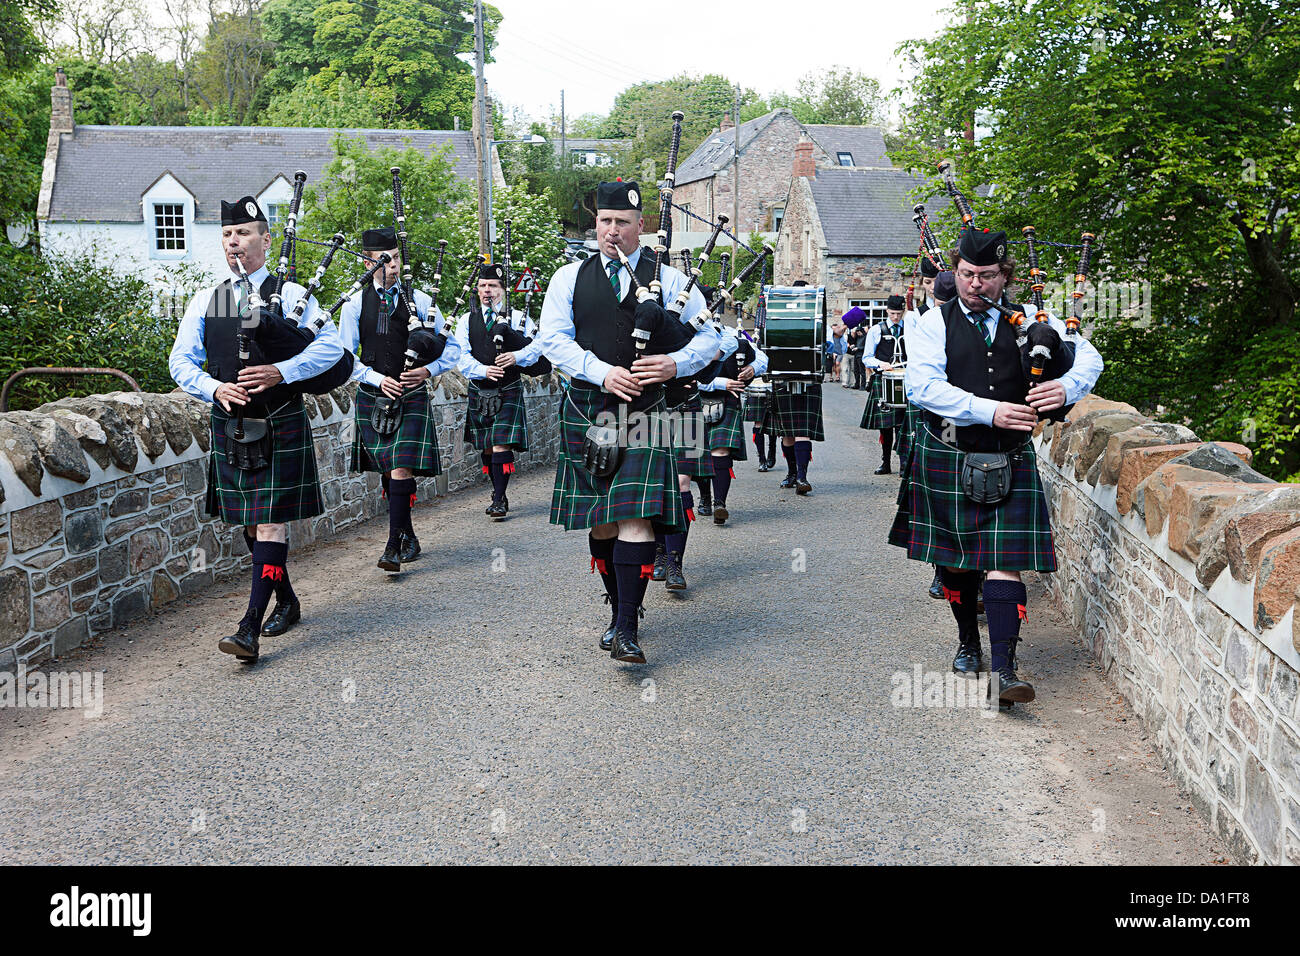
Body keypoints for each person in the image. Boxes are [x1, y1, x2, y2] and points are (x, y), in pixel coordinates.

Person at [888, 228, 1103, 706]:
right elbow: (922, 388)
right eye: (967, 275)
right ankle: (968, 641)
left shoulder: (1029, 322)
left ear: (1004, 276)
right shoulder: (933, 324)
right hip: (948, 451)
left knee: (1005, 563)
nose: (975, 285)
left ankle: (1006, 670)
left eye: (986, 276)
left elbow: (1087, 355)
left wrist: (1068, 389)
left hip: (1009, 454)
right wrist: (990, 410)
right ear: (956, 272)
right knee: (957, 565)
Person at [539, 180, 719, 665]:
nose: (612, 231)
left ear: (642, 226)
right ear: (595, 224)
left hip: (647, 411)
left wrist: (674, 364)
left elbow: (711, 340)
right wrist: (601, 371)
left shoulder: (675, 281)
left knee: (635, 516)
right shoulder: (568, 278)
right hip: (587, 407)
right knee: (601, 523)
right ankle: (619, 606)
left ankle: (626, 625)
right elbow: (552, 340)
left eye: (622, 222)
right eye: (604, 222)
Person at [168, 196, 345, 663]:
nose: (234, 242)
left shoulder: (292, 296)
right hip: (232, 423)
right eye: (228, 235)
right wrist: (213, 388)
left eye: (243, 234)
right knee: (250, 523)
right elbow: (180, 361)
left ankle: (249, 628)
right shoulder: (209, 299)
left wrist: (281, 372)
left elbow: (333, 351)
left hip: (279, 417)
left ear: (265, 241)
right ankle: (285, 599)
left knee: (268, 522)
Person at [338, 226, 461, 573]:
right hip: (373, 395)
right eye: (385, 259)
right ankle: (408, 535)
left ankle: (392, 545)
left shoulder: (420, 300)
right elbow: (345, 358)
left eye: (396, 257)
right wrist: (377, 379)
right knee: (388, 474)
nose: (393, 265)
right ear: (368, 261)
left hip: (411, 394)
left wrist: (428, 370)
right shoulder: (352, 305)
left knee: (400, 467)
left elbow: (452, 349)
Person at [453, 261, 549, 520]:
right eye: (483, 286)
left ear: (503, 290)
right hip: (480, 388)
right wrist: (483, 371)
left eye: (493, 286)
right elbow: (460, 355)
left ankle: (498, 499)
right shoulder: (465, 320)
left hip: (507, 387)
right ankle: (498, 491)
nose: (487, 291)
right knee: (486, 446)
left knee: (499, 444)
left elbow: (539, 346)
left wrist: (516, 356)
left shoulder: (518, 318)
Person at [697, 324, 768, 525]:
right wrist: (721, 383)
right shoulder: (687, 335)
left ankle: (720, 503)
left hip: (727, 401)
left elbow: (762, 357)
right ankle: (704, 497)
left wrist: (753, 368)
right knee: (700, 452)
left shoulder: (731, 334)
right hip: (694, 399)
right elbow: (683, 375)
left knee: (720, 451)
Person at [858, 295, 908, 475]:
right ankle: (885, 463)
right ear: (887, 311)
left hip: (905, 379)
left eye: (899, 313)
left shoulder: (909, 329)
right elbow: (867, 357)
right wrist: (880, 364)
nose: (896, 317)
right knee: (885, 426)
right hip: (883, 379)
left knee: (904, 425)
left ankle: (903, 463)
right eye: (893, 313)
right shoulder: (877, 330)